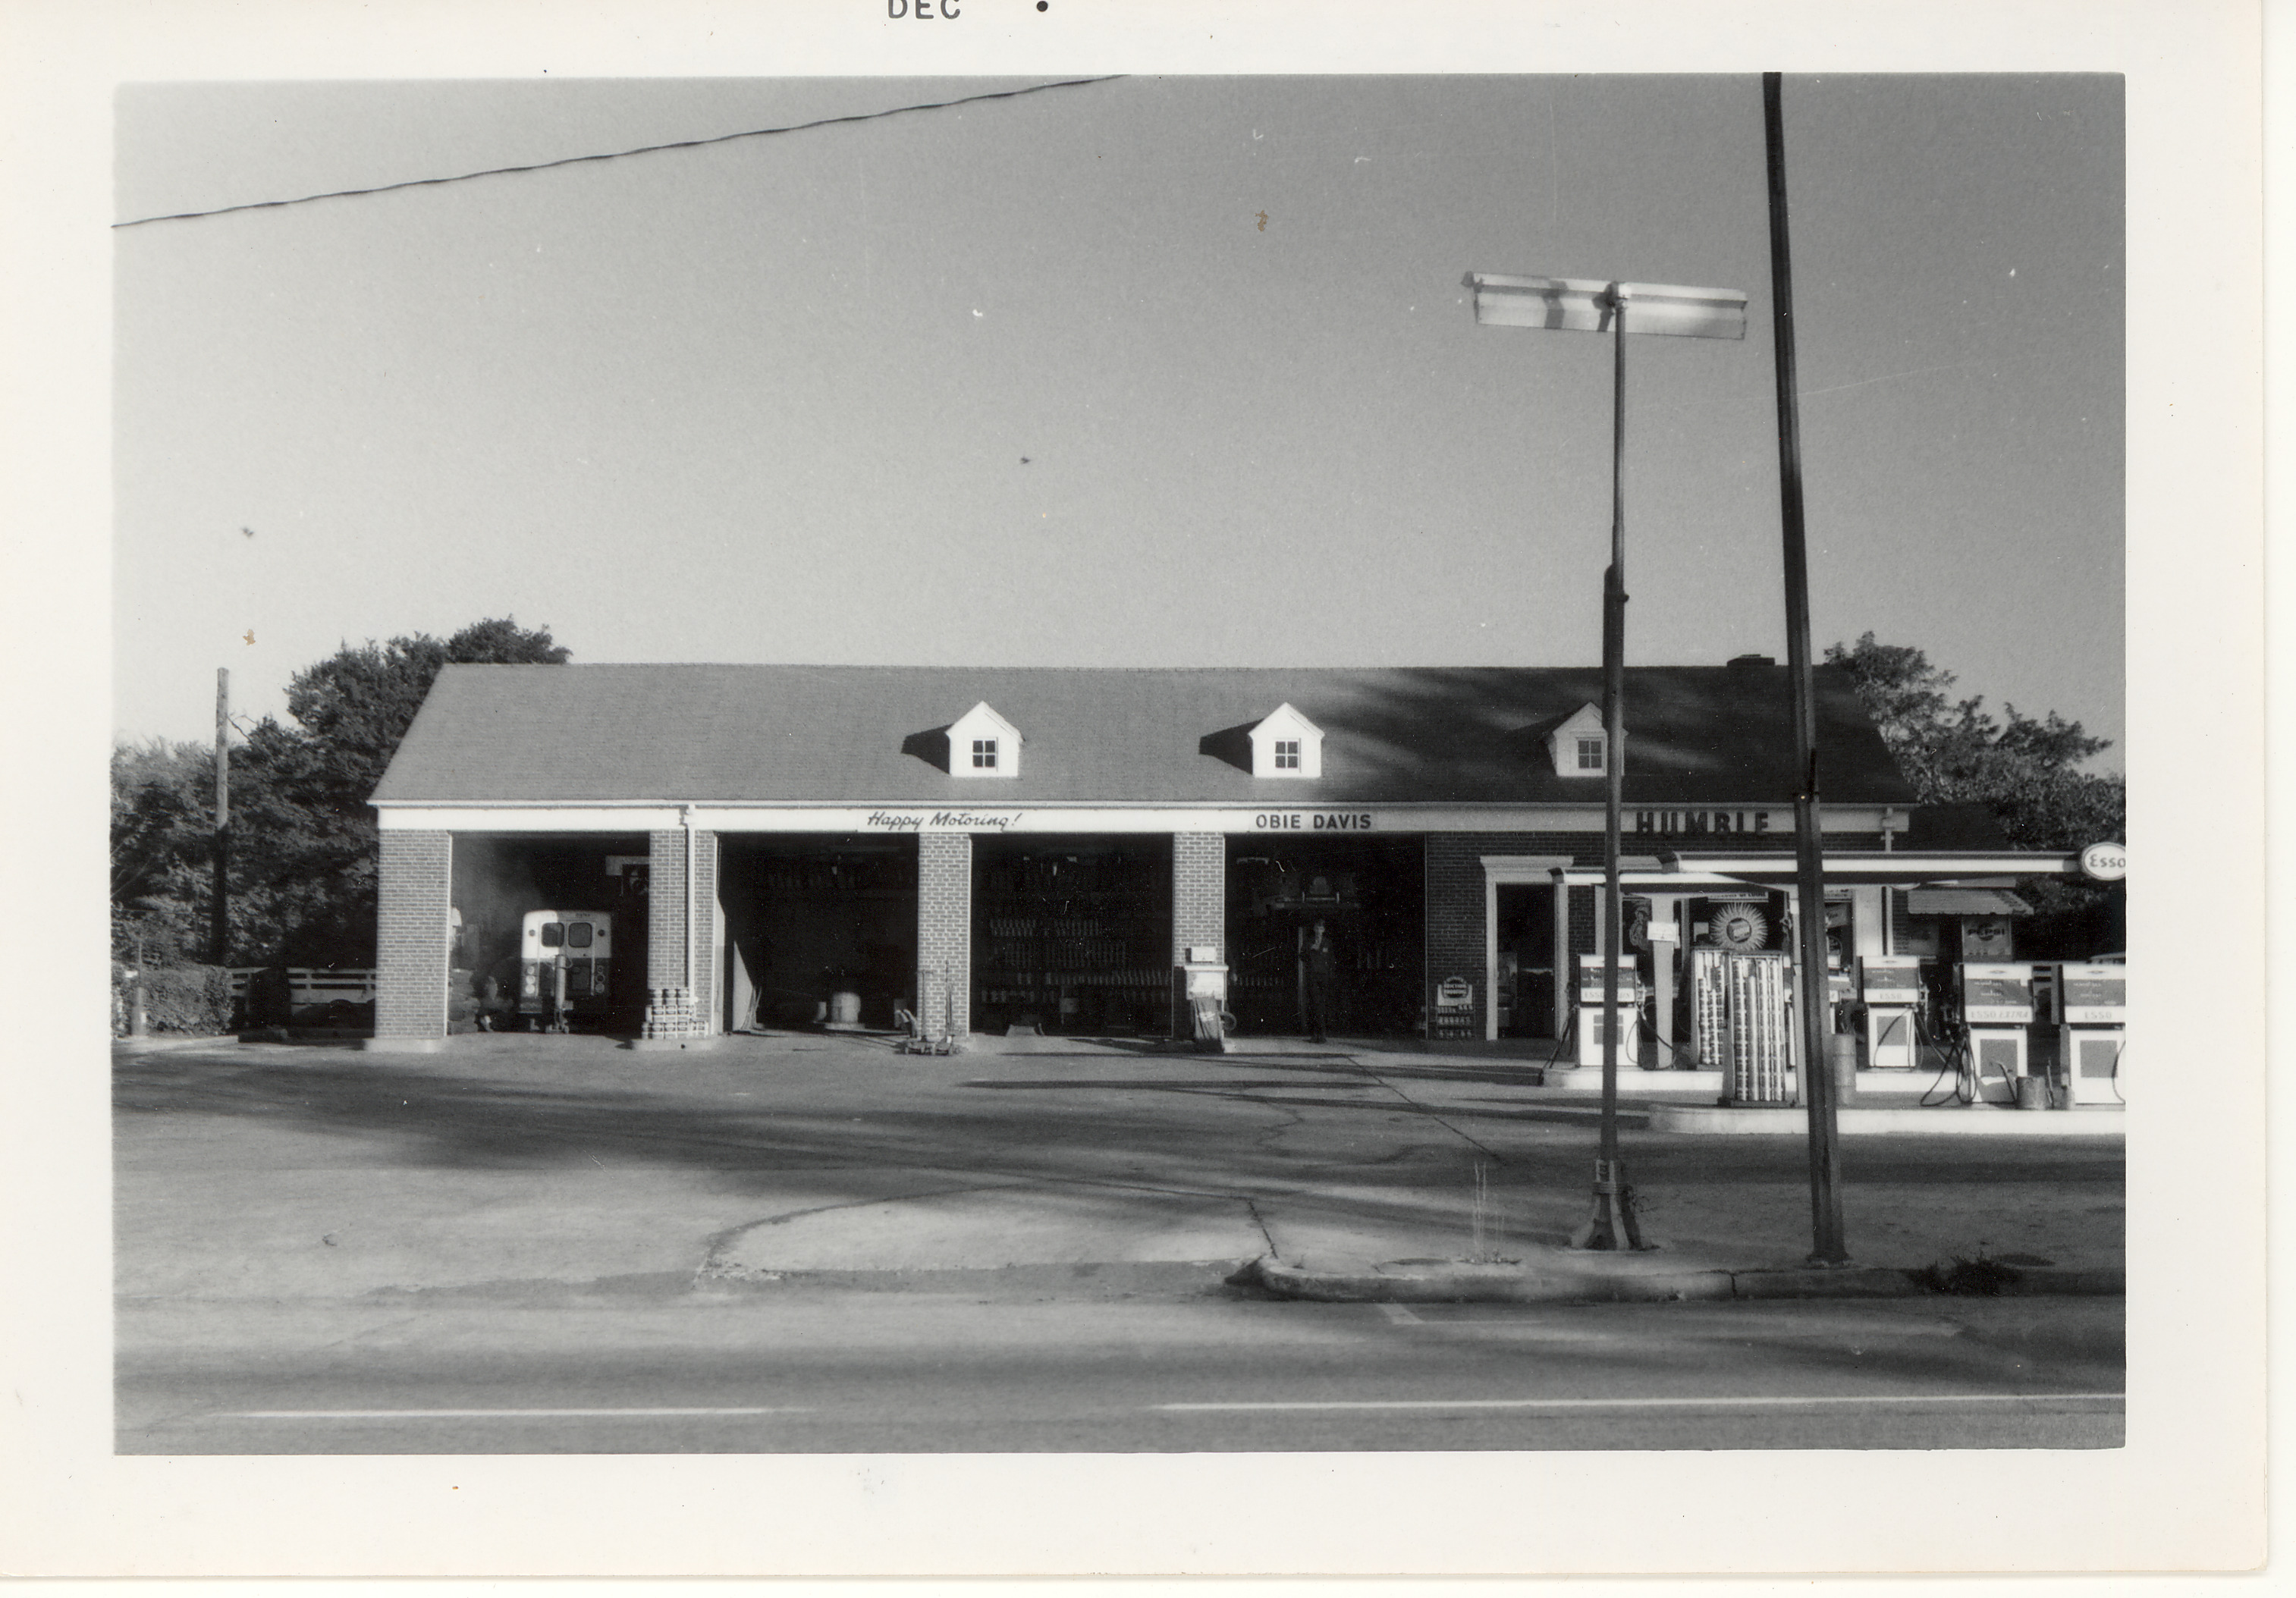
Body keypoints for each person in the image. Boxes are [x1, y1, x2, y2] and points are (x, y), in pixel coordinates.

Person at [1301, 918, 1337, 1043]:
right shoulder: (1308, 942)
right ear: (1314, 929)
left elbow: (1332, 960)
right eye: (1316, 928)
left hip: (1324, 976)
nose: (1318, 931)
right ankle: (1315, 1033)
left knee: (1323, 1004)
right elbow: (1302, 957)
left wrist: (1331, 975)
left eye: (1321, 929)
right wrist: (1310, 949)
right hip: (1313, 977)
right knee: (1314, 1003)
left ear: (1324, 930)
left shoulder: (1328, 943)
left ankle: (1322, 1033)